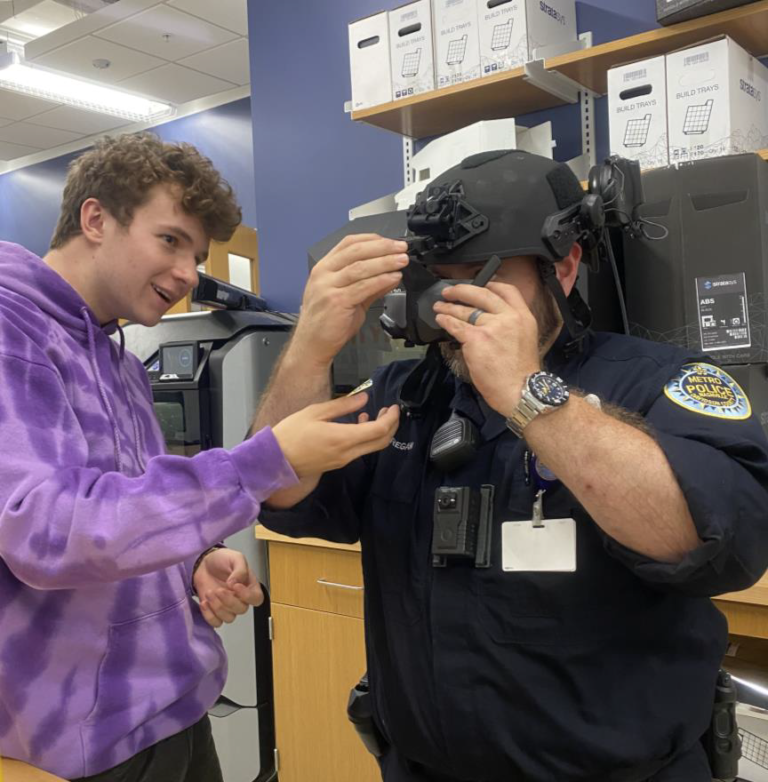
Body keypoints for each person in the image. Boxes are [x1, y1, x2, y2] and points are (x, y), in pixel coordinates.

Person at [256, 150, 768, 782]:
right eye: (438, 281)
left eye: (477, 277)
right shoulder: (404, 396)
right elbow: (275, 492)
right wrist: (309, 346)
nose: (452, 307)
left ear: (565, 266)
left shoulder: (663, 383)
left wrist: (530, 394)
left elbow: (719, 544)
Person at [0, 132, 401, 781]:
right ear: (95, 218)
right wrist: (258, 462)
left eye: (198, 253)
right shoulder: (12, 334)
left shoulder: (124, 365)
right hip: (84, 746)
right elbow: (49, 531)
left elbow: (123, 509)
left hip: (176, 710)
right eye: (170, 241)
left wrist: (188, 564)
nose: (190, 273)